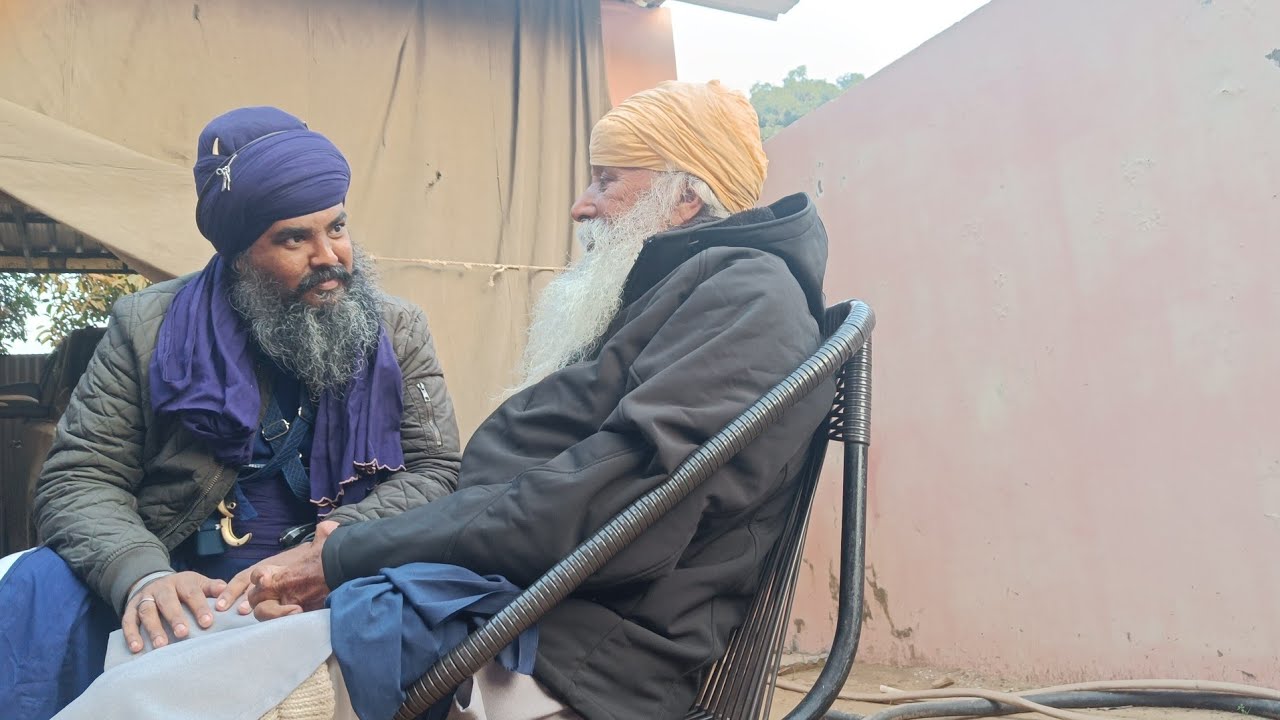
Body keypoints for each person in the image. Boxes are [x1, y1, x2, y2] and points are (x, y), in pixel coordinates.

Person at [247, 80, 834, 720]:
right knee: (215, 655)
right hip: (527, 609)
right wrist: (369, 541)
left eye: (606, 181)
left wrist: (350, 554)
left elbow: (608, 503)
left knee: (221, 688)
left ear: (686, 198)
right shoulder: (696, 291)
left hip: (572, 653)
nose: (582, 207)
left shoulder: (749, 299)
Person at [30, 106, 461, 661]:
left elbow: (437, 471)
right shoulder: (145, 328)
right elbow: (79, 477)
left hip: (347, 578)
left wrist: (328, 556)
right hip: (193, 590)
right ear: (238, 256)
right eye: (293, 239)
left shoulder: (398, 328)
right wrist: (142, 575)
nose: (329, 258)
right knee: (36, 593)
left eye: (337, 226)